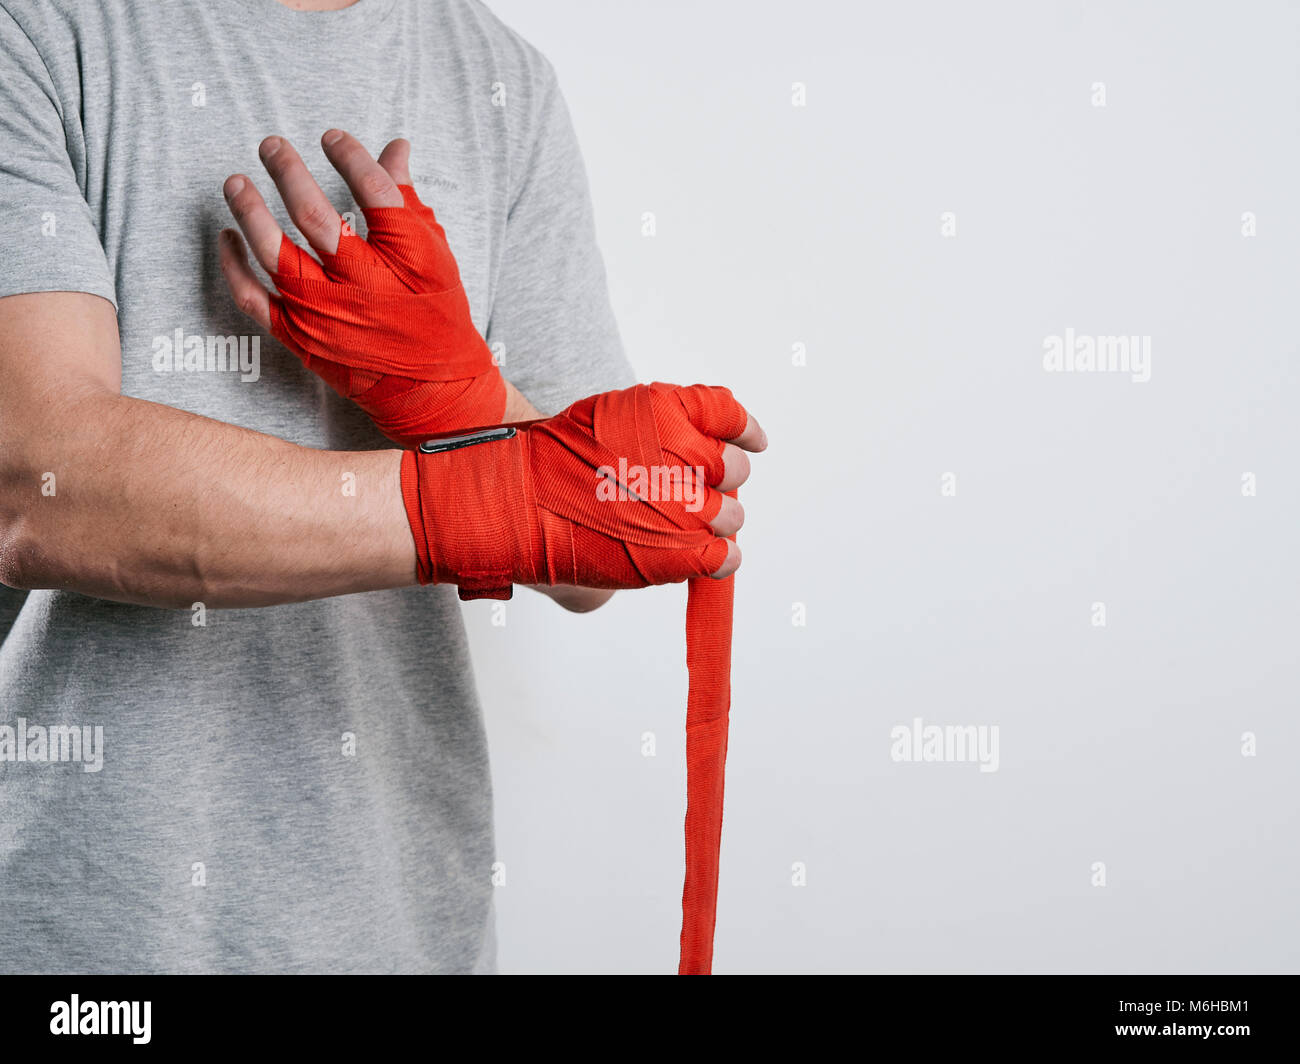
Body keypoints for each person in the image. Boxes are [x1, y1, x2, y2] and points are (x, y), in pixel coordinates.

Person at [0, 0, 762, 974]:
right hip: (82, 929)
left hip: (403, 923)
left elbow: (593, 551)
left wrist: (458, 393)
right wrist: (476, 493)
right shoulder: (37, 28)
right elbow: (38, 482)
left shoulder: (501, 77)